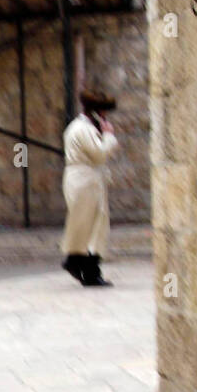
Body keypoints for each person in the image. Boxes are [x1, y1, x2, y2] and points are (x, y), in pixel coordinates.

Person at [60, 89, 119, 287]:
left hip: (86, 180)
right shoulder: (82, 129)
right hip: (84, 181)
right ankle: (82, 267)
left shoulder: (80, 128)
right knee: (90, 227)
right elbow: (99, 154)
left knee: (90, 226)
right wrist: (109, 136)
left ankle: (85, 268)